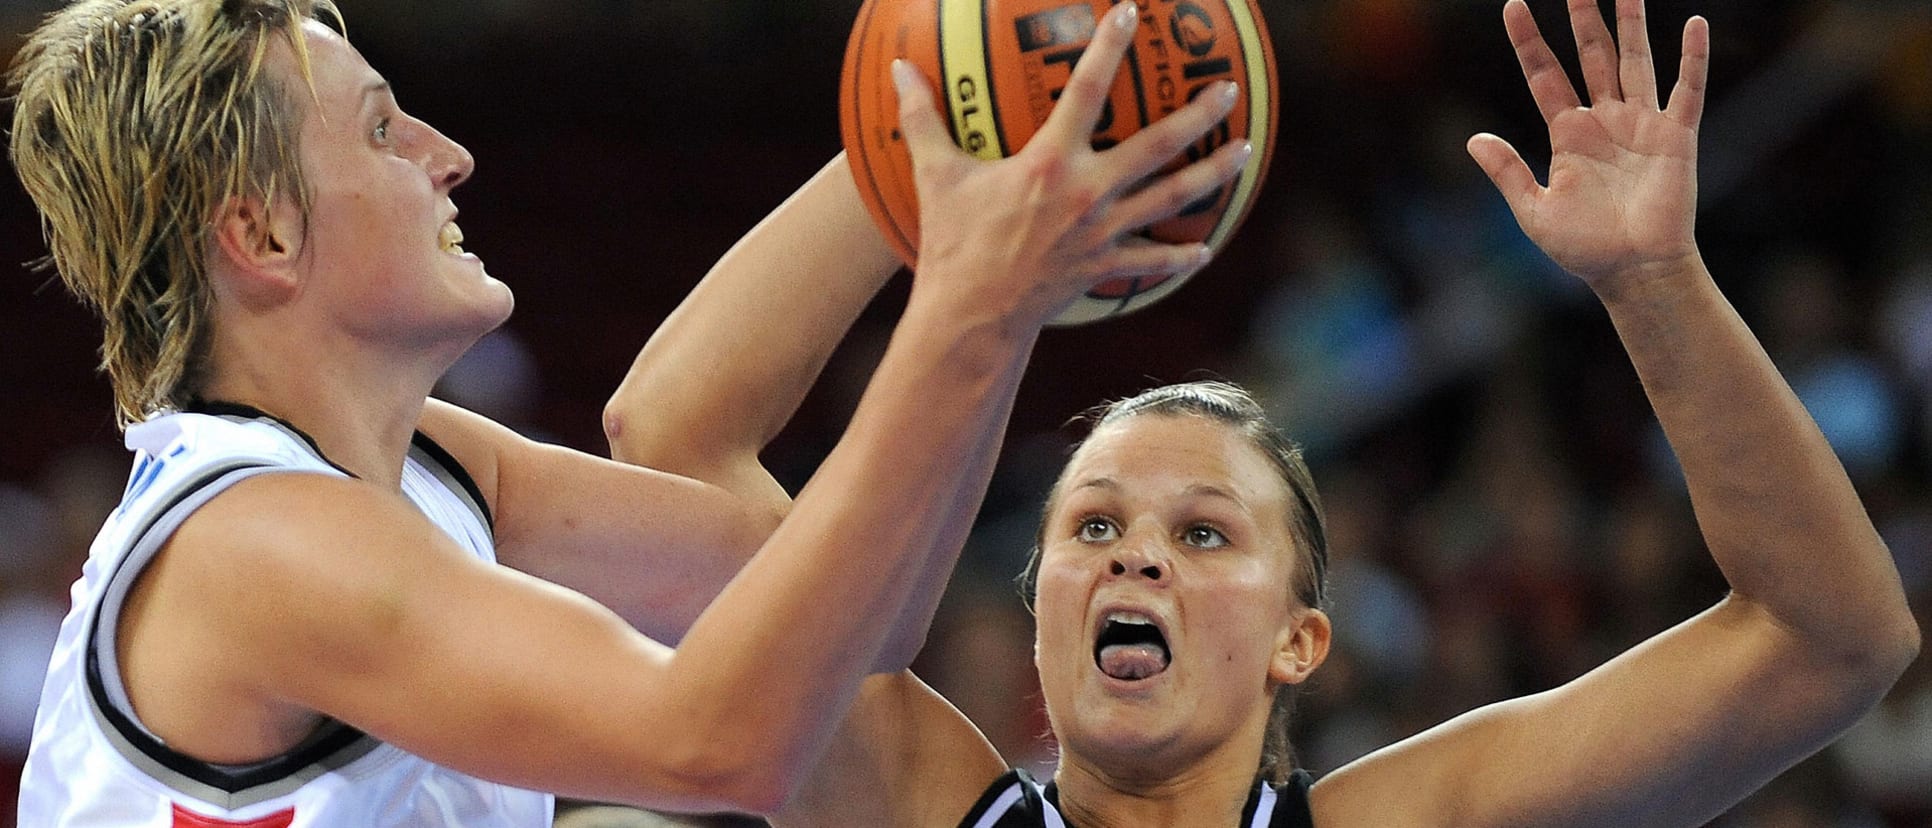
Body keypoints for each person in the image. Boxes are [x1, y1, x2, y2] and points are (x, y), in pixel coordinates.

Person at [612, 0, 1924, 826]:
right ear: (1042, 609)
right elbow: (673, 443)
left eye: (1204, 536)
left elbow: (1830, 642)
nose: (1134, 553)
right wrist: (957, 114)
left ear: (1302, 640)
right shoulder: (904, 801)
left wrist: (1655, 281)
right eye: (1096, 526)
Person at [8, 0, 1252, 823]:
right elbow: (721, 744)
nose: (450, 154)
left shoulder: (430, 464)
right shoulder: (257, 550)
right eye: (384, 128)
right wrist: (971, 306)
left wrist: (957, 147)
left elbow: (847, 627)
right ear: (264, 234)